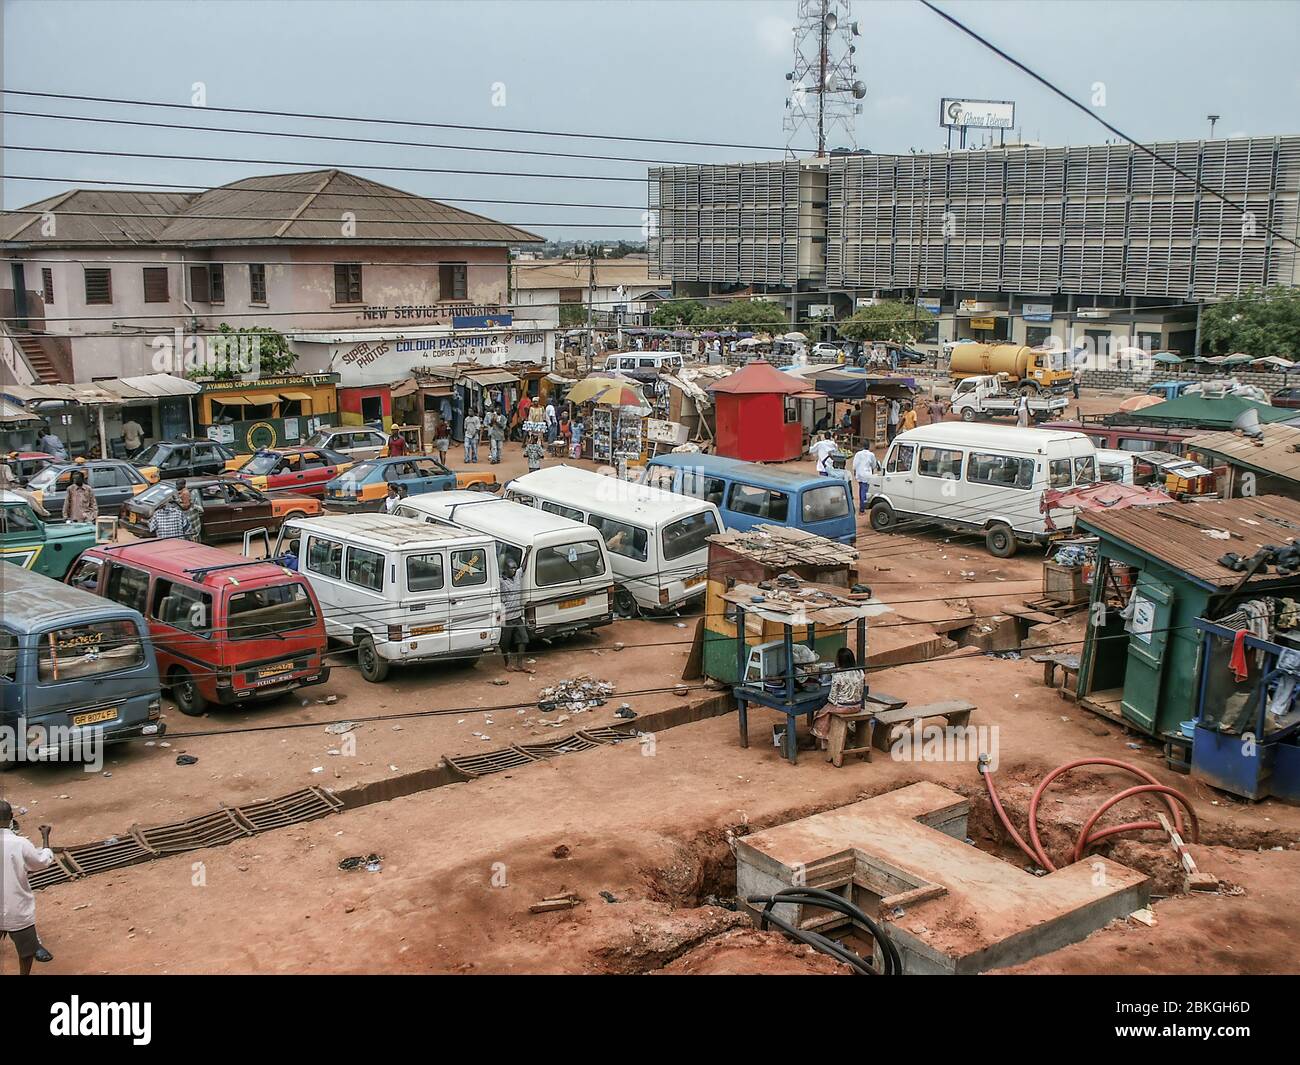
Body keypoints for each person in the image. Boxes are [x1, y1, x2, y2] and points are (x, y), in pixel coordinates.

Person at [0, 801, 54, 974]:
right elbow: (42, 862)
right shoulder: (20, 843)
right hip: (17, 908)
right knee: (26, 952)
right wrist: (45, 837)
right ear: (11, 818)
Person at [812, 647, 865, 751]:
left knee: (821, 713)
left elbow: (832, 698)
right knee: (827, 709)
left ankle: (817, 741)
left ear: (839, 661)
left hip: (844, 708)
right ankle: (841, 738)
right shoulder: (860, 672)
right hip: (857, 706)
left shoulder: (838, 675)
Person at [498, 557, 529, 672]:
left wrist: (527, 552)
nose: (514, 570)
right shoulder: (501, 581)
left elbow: (523, 567)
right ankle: (507, 663)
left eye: (515, 568)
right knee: (505, 643)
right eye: (511, 568)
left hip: (517, 616)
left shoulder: (517, 576)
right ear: (506, 569)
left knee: (524, 639)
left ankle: (520, 663)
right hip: (507, 618)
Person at [851, 445, 880, 515]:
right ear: (869, 447)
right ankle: (862, 508)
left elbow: (854, 465)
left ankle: (862, 506)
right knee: (865, 491)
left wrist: (855, 472)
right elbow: (874, 465)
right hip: (867, 475)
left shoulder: (858, 454)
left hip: (859, 474)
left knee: (861, 490)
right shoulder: (871, 455)